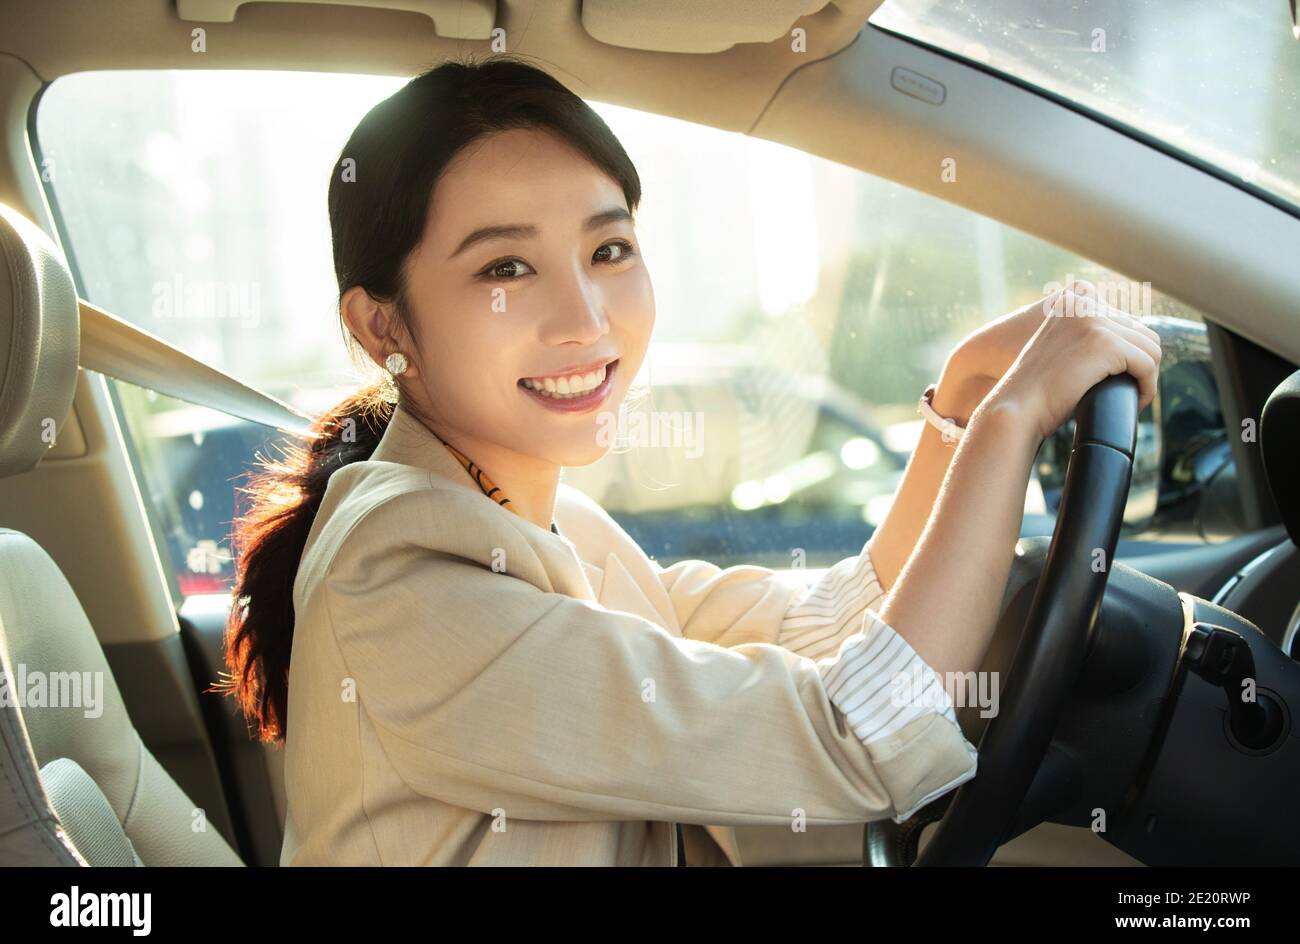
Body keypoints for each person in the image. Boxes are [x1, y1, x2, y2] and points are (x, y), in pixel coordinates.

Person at [220, 55, 1161, 866]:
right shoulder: (404, 577)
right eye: (505, 269)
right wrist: (1013, 421)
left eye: (609, 247)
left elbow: (817, 630)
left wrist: (957, 405)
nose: (587, 319)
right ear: (383, 325)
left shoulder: (543, 523)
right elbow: (853, 737)